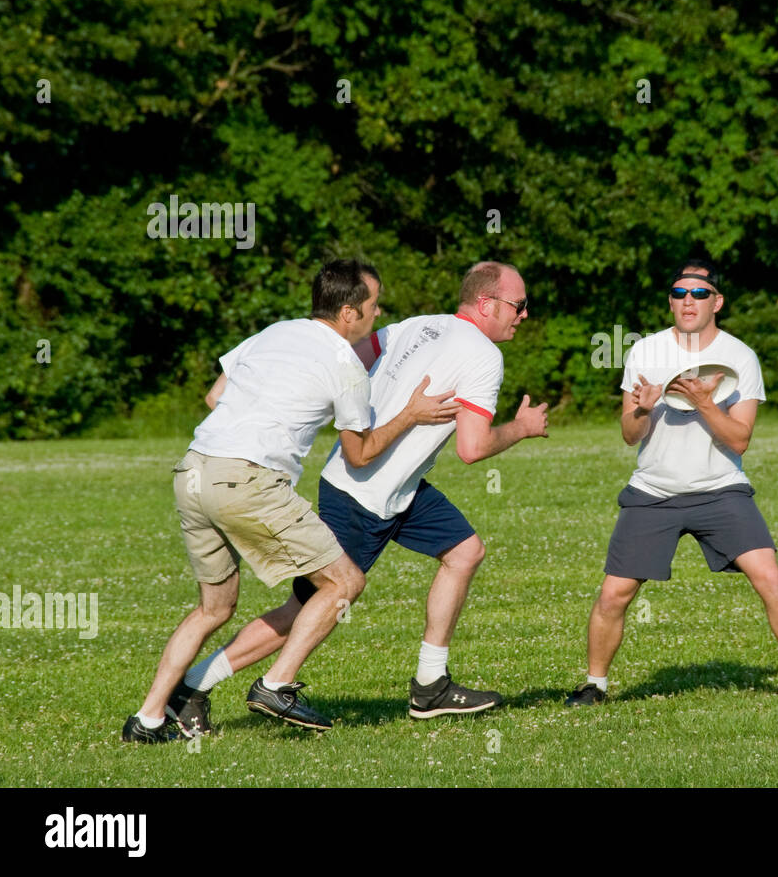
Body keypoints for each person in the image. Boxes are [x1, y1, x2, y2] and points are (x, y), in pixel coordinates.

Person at [170, 262, 548, 734]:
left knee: (465, 551)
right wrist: (523, 428)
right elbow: (473, 449)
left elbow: (348, 352)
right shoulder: (484, 356)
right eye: (519, 305)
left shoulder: (417, 326)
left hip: (396, 488)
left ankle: (431, 685)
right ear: (487, 303)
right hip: (364, 492)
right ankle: (203, 685)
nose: (525, 314)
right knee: (304, 608)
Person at [122, 260, 454, 743]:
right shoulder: (345, 365)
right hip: (248, 480)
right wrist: (411, 415)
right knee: (343, 582)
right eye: (373, 305)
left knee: (213, 609)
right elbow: (359, 455)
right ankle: (277, 686)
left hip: (193, 471)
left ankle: (148, 720)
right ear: (347, 312)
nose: (379, 313)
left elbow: (217, 398)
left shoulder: (274, 332)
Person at [565, 258, 778, 706]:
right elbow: (629, 436)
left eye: (699, 293)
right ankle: (594, 686)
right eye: (680, 292)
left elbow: (739, 440)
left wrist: (704, 402)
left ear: (716, 302)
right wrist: (642, 410)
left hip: (720, 489)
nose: (688, 300)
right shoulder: (644, 352)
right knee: (614, 594)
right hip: (653, 491)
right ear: (670, 301)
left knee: (770, 578)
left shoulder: (740, 357)